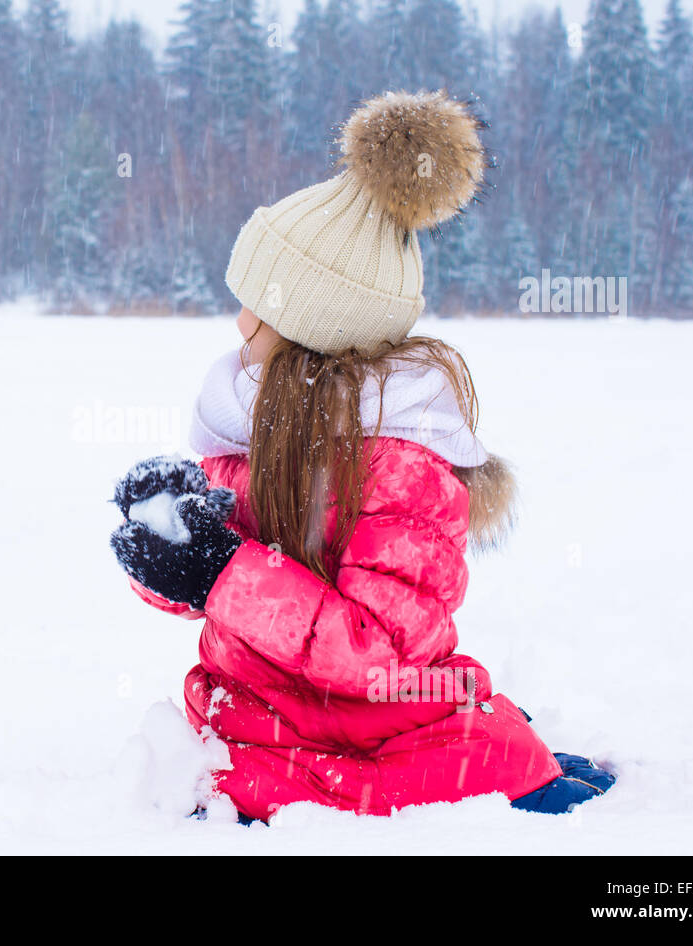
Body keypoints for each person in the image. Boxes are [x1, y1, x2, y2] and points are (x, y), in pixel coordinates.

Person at [110, 90, 615, 821]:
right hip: (252, 711)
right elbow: (215, 590)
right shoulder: (252, 426)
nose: (239, 318)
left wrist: (221, 570)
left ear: (313, 328)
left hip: (358, 726)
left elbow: (376, 655)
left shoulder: (401, 471)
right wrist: (168, 545)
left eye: (259, 303)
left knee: (455, 757)